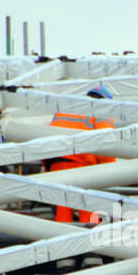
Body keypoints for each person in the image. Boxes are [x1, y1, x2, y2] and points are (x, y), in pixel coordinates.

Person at [47, 84, 115, 223]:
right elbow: (106, 146)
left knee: (63, 205)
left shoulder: (66, 110)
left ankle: (61, 235)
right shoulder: (102, 114)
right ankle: (90, 240)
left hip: (56, 164)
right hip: (81, 166)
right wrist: (108, 172)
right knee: (87, 208)